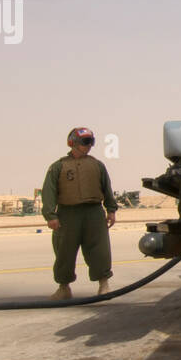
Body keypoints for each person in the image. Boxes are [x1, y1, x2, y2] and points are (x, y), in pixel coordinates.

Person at [41, 128, 118, 299]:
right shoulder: (58, 167)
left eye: (91, 141)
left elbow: (107, 189)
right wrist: (50, 216)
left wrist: (111, 210)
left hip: (94, 213)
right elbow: (49, 192)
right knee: (64, 251)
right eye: (85, 141)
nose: (89, 145)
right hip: (68, 214)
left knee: (100, 249)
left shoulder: (97, 165)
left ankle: (104, 284)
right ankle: (64, 287)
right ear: (73, 142)